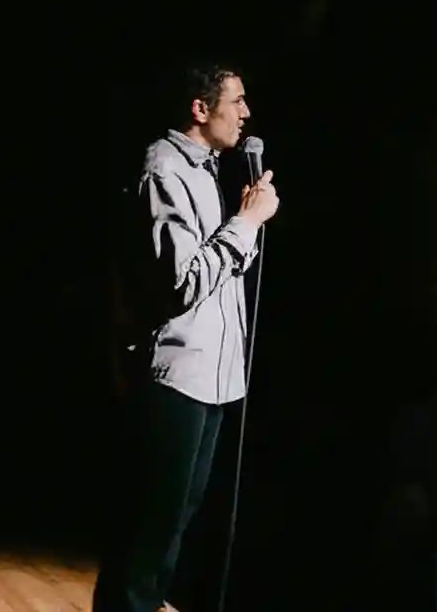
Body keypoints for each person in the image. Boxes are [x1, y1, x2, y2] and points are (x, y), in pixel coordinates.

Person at [93, 63, 280, 612]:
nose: (246, 113)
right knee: (150, 530)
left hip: (213, 379)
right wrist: (245, 224)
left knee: (176, 525)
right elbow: (183, 282)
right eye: (237, 101)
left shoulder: (205, 170)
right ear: (201, 109)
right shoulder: (164, 169)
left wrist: (244, 222)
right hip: (175, 377)